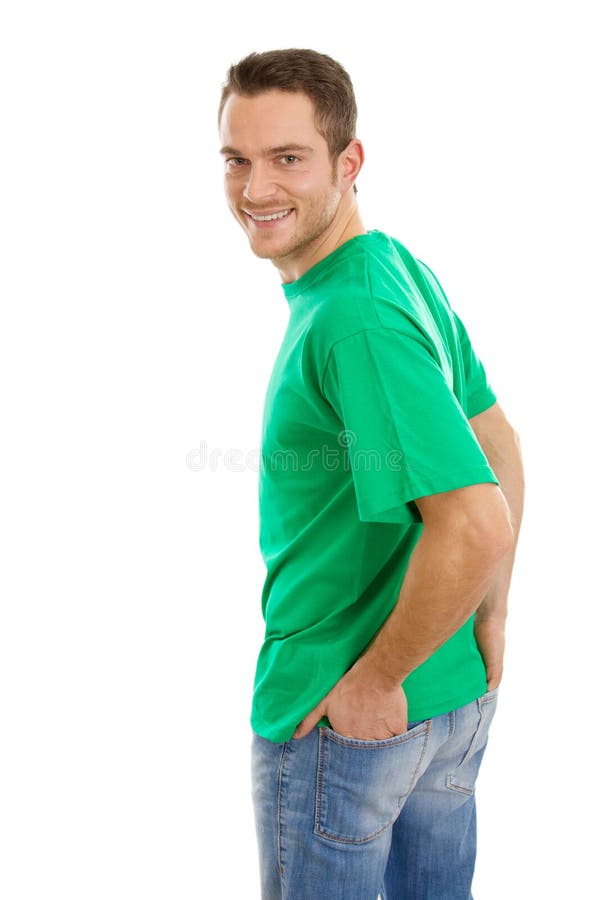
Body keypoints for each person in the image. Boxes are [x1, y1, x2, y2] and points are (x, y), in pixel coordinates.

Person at [217, 48, 525, 900]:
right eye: (236, 158)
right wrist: (487, 613)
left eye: (288, 159)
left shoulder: (351, 316)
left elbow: (477, 514)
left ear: (349, 163)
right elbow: (497, 440)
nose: (255, 189)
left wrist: (377, 679)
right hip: (448, 699)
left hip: (350, 718)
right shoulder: (392, 268)